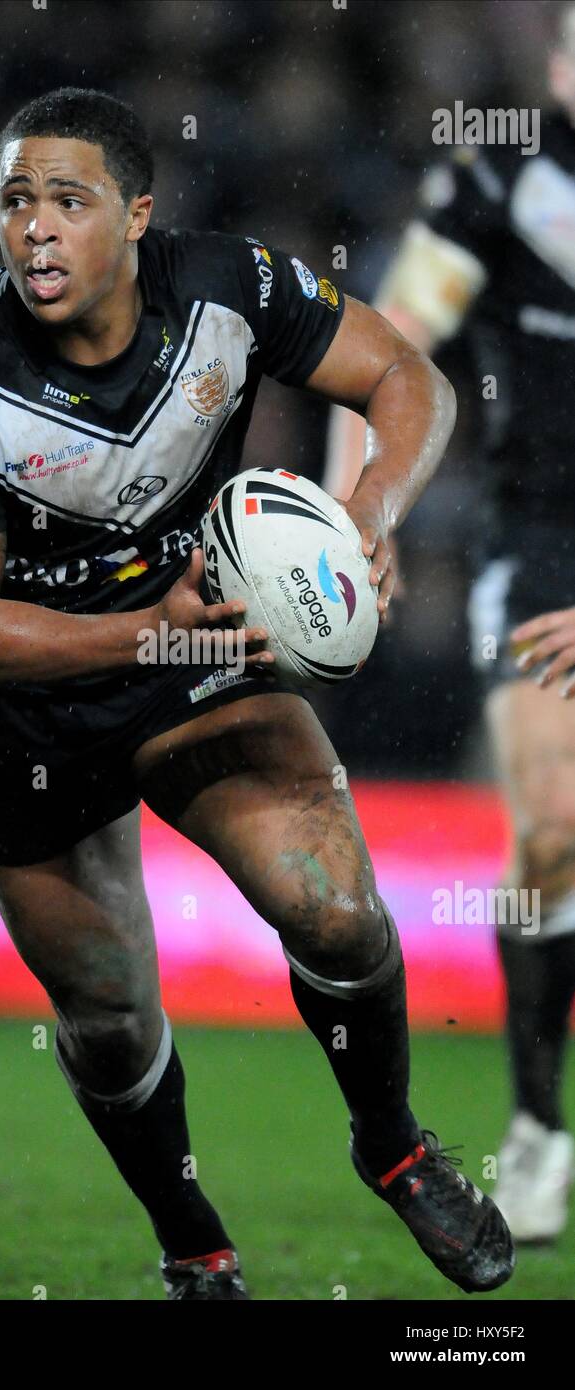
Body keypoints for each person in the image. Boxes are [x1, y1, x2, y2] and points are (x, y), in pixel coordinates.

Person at [0, 86, 513, 1299]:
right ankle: (192, 1243)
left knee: (334, 908)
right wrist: (139, 630)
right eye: (17, 202)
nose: (38, 231)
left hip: (202, 654)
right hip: (26, 708)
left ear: (137, 214)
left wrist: (366, 513)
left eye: (69, 202)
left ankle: (393, 1147)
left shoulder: (229, 288)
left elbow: (408, 380)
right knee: (111, 1019)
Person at [325, 5, 575, 1245]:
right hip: (541, 551)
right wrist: (352, 515)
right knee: (556, 826)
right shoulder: (501, 185)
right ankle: (539, 1125)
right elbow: (385, 347)